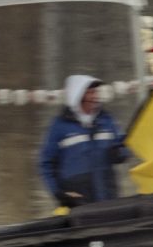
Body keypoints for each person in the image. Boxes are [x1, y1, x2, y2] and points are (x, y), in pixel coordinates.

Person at [38, 75, 130, 208]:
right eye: (90, 93)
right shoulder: (60, 126)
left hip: (109, 198)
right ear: (77, 95)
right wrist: (59, 194)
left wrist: (120, 153)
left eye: (96, 92)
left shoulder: (107, 120)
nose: (95, 97)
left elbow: (123, 147)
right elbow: (45, 164)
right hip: (78, 202)